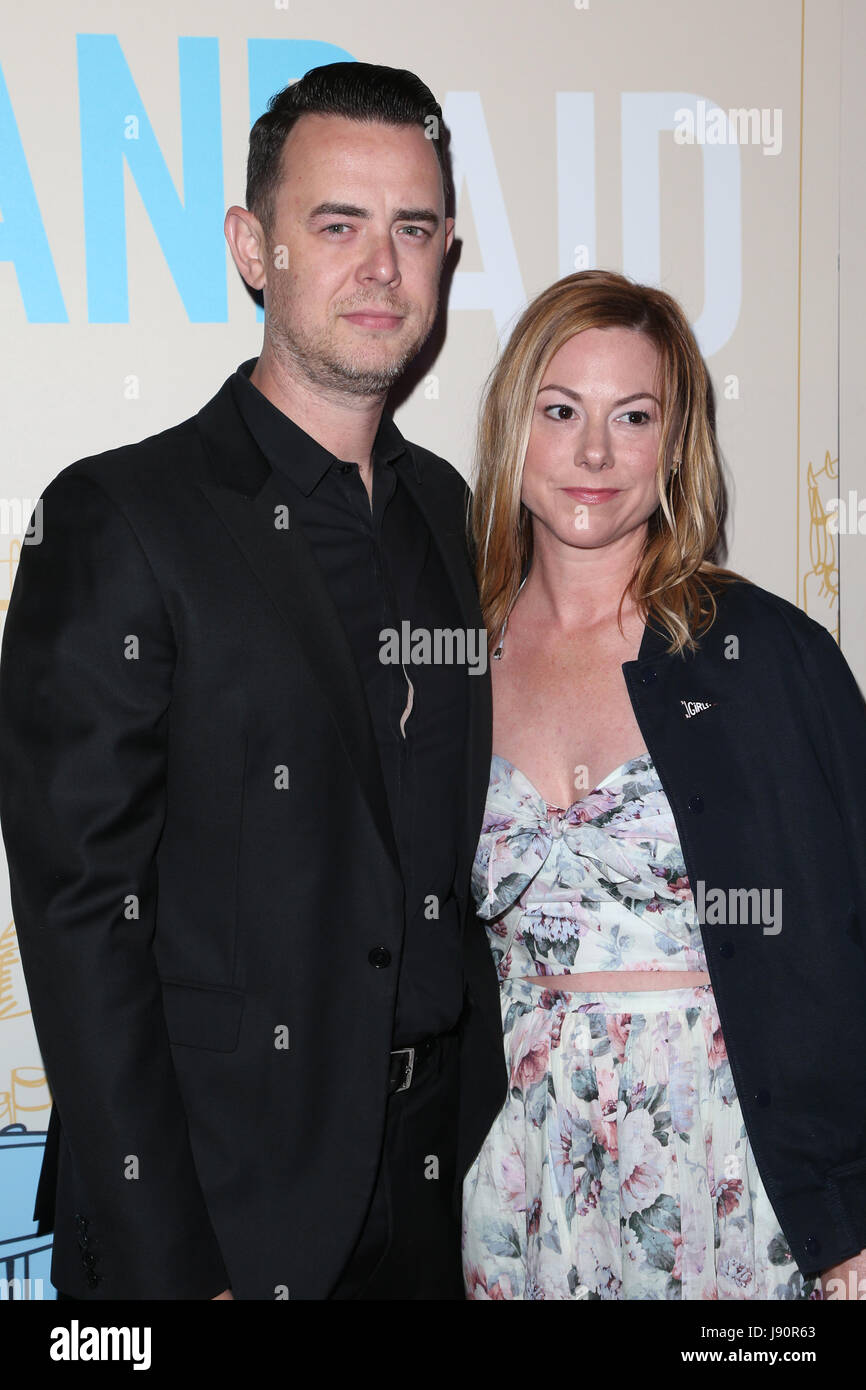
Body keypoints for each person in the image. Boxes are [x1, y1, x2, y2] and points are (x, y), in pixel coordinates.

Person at [0, 61, 507, 1301]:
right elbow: (81, 925)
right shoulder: (118, 516)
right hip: (217, 1213)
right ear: (251, 247)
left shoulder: (448, 511)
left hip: (434, 1199)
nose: (380, 266)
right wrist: (178, 1270)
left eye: (413, 229)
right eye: (336, 224)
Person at [461, 268, 866, 1300]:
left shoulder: (767, 657)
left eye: (630, 416)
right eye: (561, 411)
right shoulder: (452, 662)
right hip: (523, 1179)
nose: (592, 453)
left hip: (735, 1169)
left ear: (673, 445)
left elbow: (842, 934)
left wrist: (851, 1219)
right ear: (516, 428)